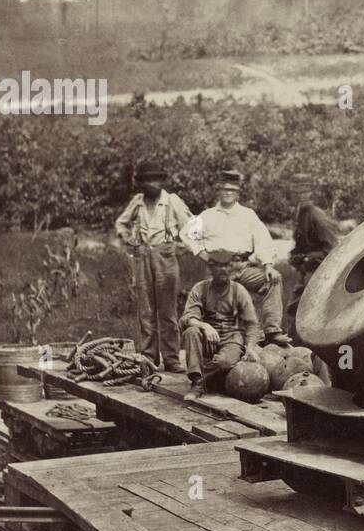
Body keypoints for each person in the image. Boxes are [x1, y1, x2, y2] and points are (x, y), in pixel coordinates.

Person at [180, 168, 287, 346]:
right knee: (211, 303)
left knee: (275, 280)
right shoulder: (207, 216)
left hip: (242, 267)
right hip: (217, 270)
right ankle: (211, 341)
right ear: (218, 190)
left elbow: (263, 240)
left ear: (238, 192)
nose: (228, 193)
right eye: (224, 189)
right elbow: (185, 233)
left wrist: (268, 265)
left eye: (232, 190)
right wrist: (201, 252)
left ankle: (272, 331)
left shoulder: (248, 215)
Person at [113, 160, 193, 372]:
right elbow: (121, 223)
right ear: (140, 183)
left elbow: (192, 229)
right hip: (141, 257)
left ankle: (172, 359)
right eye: (147, 180)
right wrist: (129, 239)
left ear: (161, 181)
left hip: (165, 257)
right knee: (146, 311)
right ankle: (149, 357)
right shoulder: (137, 202)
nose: (152, 184)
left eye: (156, 180)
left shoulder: (172, 201)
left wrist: (180, 247)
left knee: (167, 311)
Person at [180, 249, 263, 399]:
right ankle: (197, 383)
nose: (224, 270)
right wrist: (205, 326)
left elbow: (252, 324)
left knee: (224, 363)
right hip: (208, 337)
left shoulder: (239, 291)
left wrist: (250, 347)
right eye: (219, 266)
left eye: (226, 266)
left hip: (231, 337)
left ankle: (205, 375)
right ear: (210, 268)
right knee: (191, 331)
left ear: (231, 267)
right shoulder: (200, 289)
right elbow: (186, 318)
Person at [286, 173, 342, 337]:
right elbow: (302, 243)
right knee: (294, 311)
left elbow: (333, 250)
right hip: (308, 271)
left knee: (311, 313)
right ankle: (294, 348)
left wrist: (308, 258)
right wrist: (295, 256)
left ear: (310, 193)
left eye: (304, 192)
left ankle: (310, 348)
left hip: (321, 272)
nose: (300, 196)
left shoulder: (317, 216)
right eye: (296, 192)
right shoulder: (300, 213)